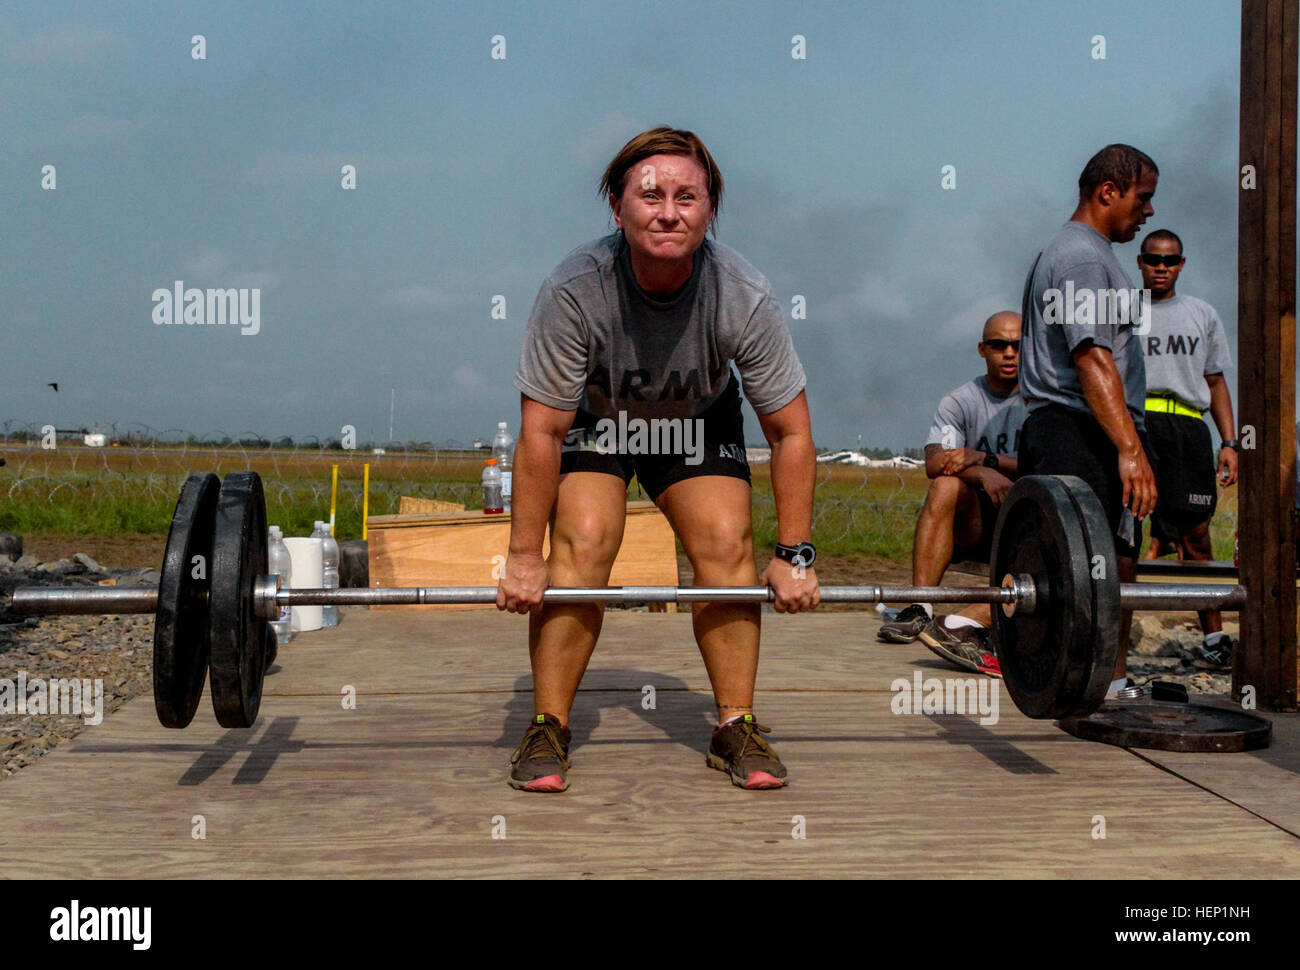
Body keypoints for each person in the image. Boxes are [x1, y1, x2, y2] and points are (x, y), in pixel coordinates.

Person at [499, 126, 818, 792]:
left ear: (709, 212)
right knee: (582, 543)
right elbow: (541, 434)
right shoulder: (574, 290)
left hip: (696, 424)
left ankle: (734, 724)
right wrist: (525, 557)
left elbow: (790, 433)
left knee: (727, 542)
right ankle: (548, 725)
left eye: (687, 197)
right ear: (617, 209)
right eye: (650, 196)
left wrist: (795, 556)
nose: (668, 211)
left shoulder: (742, 293)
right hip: (599, 425)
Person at [1017, 144, 1159, 698]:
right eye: (1142, 198)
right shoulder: (1082, 258)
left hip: (1087, 430)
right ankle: (1078, 691)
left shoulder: (1090, 254)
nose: (1147, 212)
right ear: (1108, 192)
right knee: (1087, 572)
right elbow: (1091, 356)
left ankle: (1108, 685)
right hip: (1078, 432)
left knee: (1116, 564)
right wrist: (1128, 449)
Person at [879, 312, 1027, 679]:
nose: (1009, 353)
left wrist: (984, 457)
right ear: (982, 349)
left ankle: (961, 622)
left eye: (1018, 345)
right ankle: (921, 607)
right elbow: (934, 462)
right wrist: (982, 472)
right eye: (998, 345)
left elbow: (1046, 466)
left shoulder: (1042, 402)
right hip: (976, 520)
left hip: (1024, 520)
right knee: (945, 485)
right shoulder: (960, 400)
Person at [1134, 229, 1239, 668]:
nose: (1161, 267)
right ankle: (1110, 637)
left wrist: (1230, 442)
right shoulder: (1122, 312)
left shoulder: (1202, 314)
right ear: (1140, 262)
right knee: (1122, 529)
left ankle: (1214, 638)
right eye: (1153, 260)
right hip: (1137, 423)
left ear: (1181, 264)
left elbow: (1215, 381)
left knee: (1196, 535)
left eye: (1170, 260)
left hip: (1188, 428)